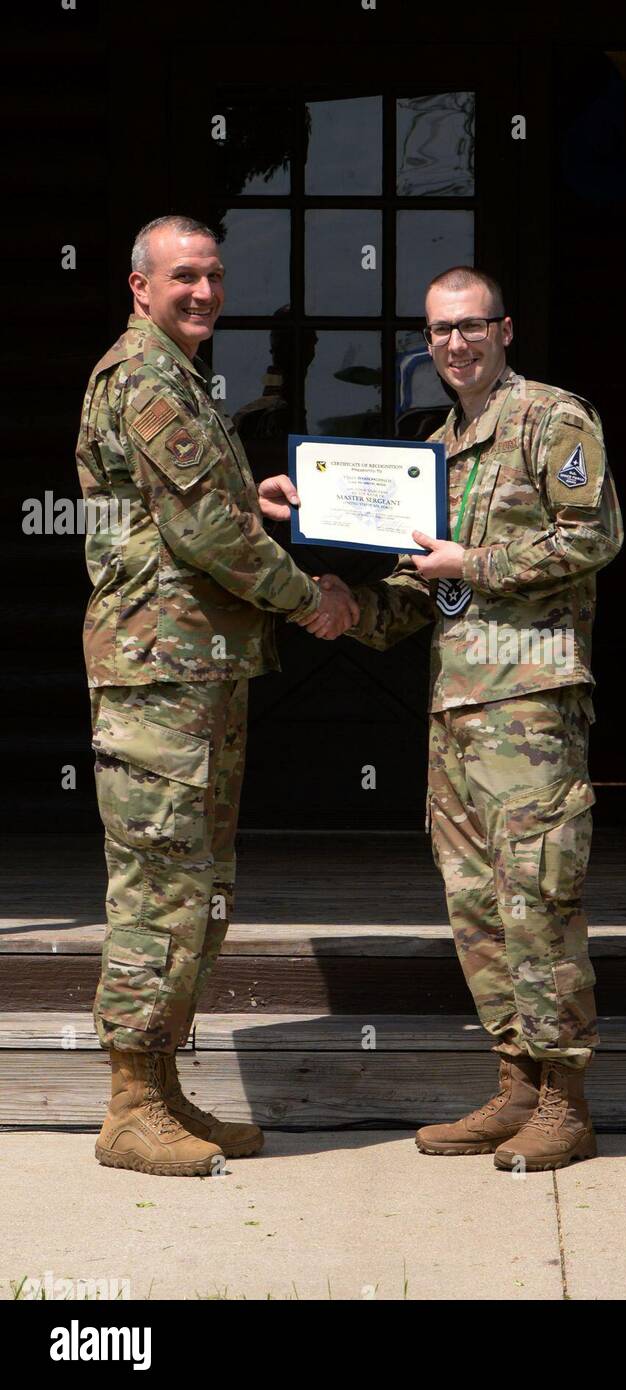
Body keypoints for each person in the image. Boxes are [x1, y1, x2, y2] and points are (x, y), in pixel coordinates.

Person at [260, 266, 623, 1170]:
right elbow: (429, 596)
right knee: (475, 908)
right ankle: (515, 1086)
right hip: (455, 711)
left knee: (539, 901)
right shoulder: (436, 450)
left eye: (471, 326)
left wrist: (476, 558)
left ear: (506, 329)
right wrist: (348, 604)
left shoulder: (553, 419)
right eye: (439, 332)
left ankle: (566, 1101)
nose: (455, 344)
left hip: (530, 704)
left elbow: (594, 537)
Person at [76, 214, 355, 1177]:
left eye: (214, 276)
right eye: (182, 276)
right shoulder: (145, 378)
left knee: (199, 890)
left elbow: (201, 512)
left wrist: (259, 503)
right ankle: (129, 1106)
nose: (202, 292)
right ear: (139, 287)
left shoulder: (181, 379)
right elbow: (198, 534)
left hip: (198, 670)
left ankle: (160, 1085)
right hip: (159, 675)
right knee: (157, 889)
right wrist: (305, 595)